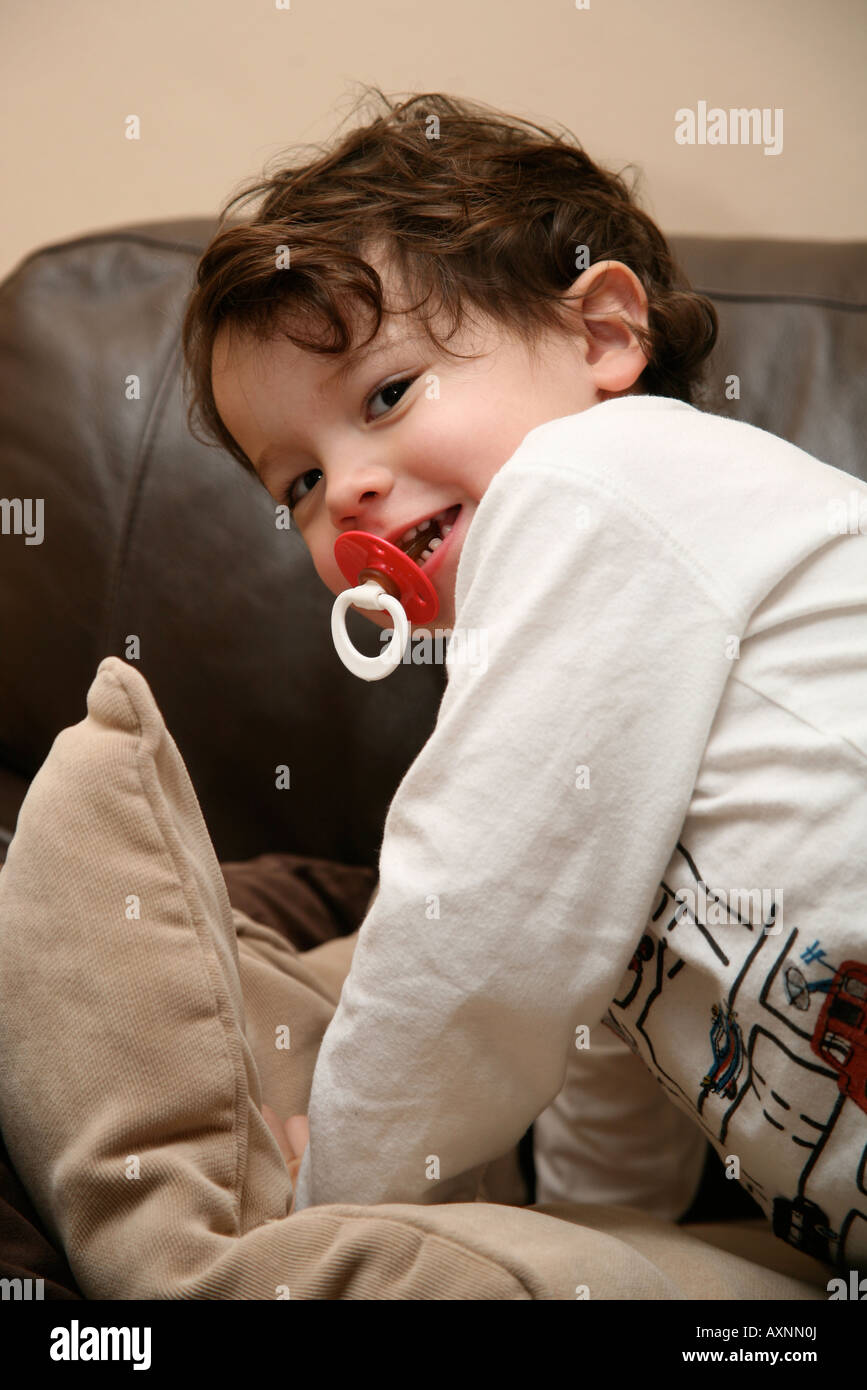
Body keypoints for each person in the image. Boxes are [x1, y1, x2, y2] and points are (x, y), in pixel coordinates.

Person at [182, 88, 867, 1273]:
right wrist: (589, 1235)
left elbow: (478, 920)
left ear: (602, 336)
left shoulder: (595, 482)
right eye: (294, 482)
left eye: (387, 395)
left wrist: (333, 1206)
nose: (343, 494)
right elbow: (598, 1007)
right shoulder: (596, 673)